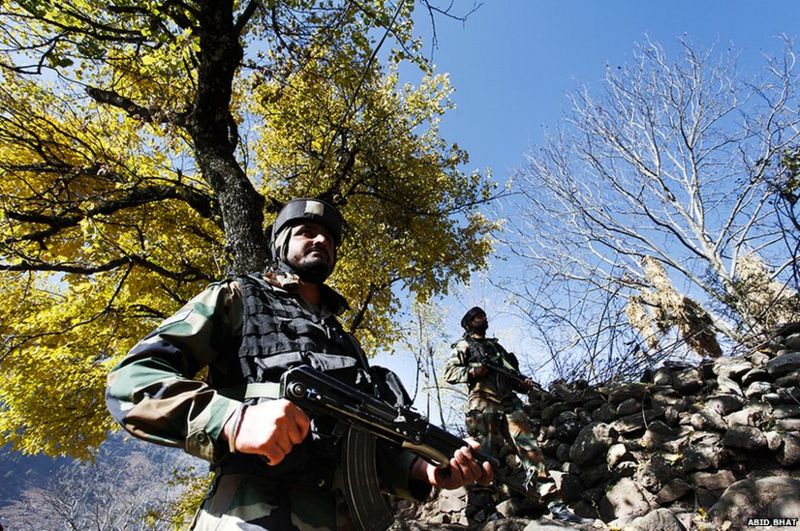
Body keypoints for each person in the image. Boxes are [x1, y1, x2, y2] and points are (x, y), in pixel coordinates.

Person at [106, 198, 492, 530]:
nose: (321, 239)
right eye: (307, 231)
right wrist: (230, 420)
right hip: (252, 513)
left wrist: (424, 470)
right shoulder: (238, 297)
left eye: (329, 237)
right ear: (281, 243)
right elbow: (133, 380)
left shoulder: (346, 342)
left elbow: (364, 445)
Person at [443, 306, 583, 524]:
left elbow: (511, 375)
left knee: (530, 448)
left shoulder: (497, 347)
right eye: (477, 317)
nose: (482, 318)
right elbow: (450, 373)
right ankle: (485, 507)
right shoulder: (463, 346)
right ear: (469, 323)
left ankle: (555, 505)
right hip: (483, 402)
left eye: (484, 315)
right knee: (482, 453)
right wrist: (473, 371)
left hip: (509, 402)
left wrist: (523, 384)